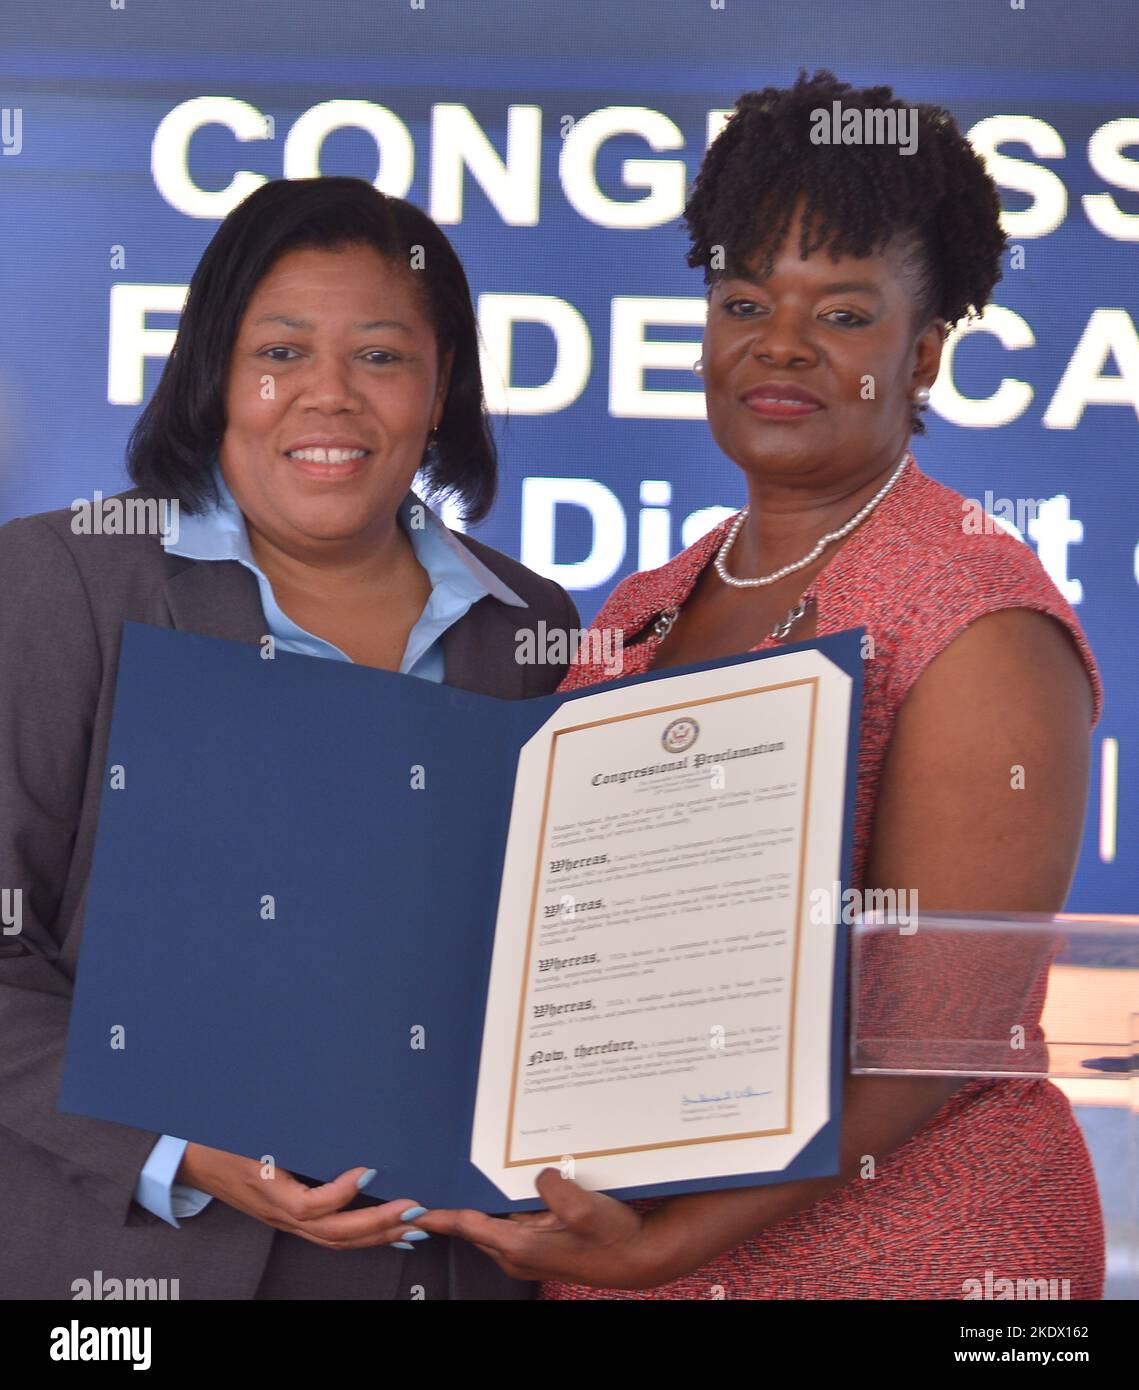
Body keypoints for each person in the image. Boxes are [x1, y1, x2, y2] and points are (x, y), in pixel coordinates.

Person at [414, 71, 1105, 1299]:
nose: (778, 344)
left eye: (842, 314)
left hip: (915, 1256)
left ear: (923, 351)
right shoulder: (638, 610)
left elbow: (942, 1031)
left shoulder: (974, 610)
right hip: (630, 1254)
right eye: (743, 300)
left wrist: (675, 1242)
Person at [0, 176, 578, 1300]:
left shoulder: (531, 624)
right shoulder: (59, 582)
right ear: (214, 370)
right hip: (137, 1267)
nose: (329, 397)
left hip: (447, 1263)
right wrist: (180, 1146)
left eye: (379, 355)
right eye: (279, 352)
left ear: (439, 382)